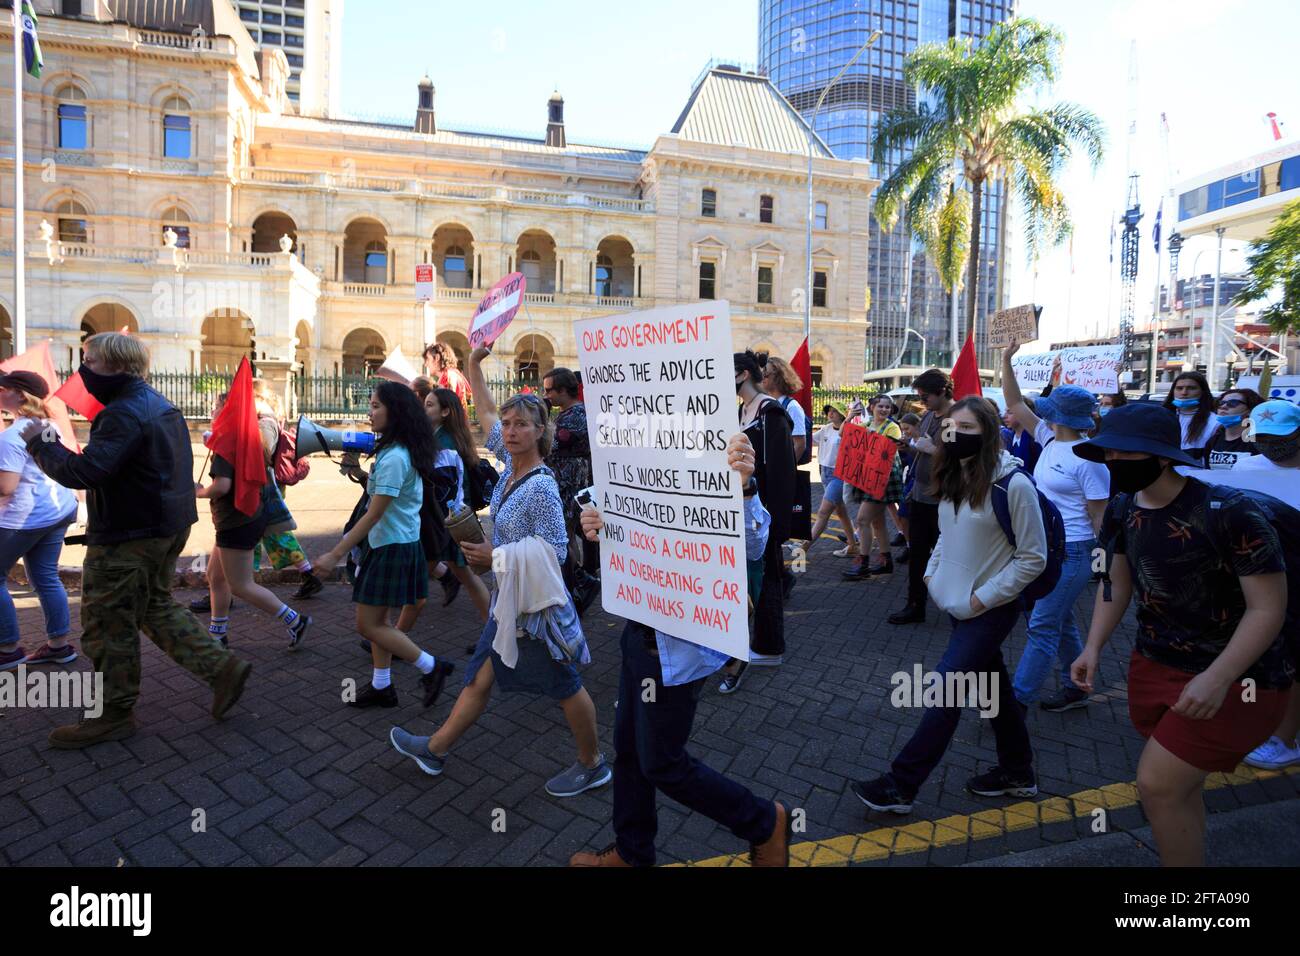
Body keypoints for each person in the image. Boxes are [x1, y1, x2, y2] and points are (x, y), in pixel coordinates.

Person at [1072, 402, 1292, 866]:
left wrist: (1217, 677)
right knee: (1176, 790)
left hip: (1238, 679)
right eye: (1109, 453)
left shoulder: (1231, 512)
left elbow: (1268, 608)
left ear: (1163, 455)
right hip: (1153, 664)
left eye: (1128, 454)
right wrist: (1092, 646)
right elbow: (1117, 584)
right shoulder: (1120, 507)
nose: (1114, 463)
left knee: (1157, 784)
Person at [388, 345, 611, 798]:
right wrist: (473, 365)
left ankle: (594, 764)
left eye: (520, 425)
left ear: (539, 431)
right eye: (507, 425)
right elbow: (486, 409)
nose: (508, 431)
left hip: (536, 608)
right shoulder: (509, 465)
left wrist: (497, 557)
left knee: (566, 687)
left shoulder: (542, 487)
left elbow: (554, 551)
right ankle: (435, 748)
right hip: (509, 601)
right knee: (479, 676)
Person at [567, 433, 791, 867]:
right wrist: (593, 521)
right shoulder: (633, 456)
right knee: (628, 746)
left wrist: (745, 487)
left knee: (663, 763)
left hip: (678, 643)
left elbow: (753, 545)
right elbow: (610, 517)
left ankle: (763, 821)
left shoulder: (717, 459)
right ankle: (632, 851)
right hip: (637, 628)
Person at [23, 332, 251, 747]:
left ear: (119, 366)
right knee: (153, 606)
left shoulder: (123, 413)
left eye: (91, 362)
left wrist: (40, 445)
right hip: (165, 526)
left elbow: (86, 473)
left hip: (129, 535)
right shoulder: (158, 403)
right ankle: (221, 669)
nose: (82, 370)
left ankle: (113, 715)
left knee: (107, 624)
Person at [852, 396, 1047, 813]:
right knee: (994, 688)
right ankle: (1018, 771)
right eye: (950, 428)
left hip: (990, 609)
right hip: (960, 605)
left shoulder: (1014, 484)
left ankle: (901, 785)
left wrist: (982, 597)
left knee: (947, 688)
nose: (954, 436)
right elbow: (946, 534)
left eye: (967, 429)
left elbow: (1034, 557)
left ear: (989, 434)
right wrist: (932, 576)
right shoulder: (957, 474)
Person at [315, 382, 455, 709]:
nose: (370, 412)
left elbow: (374, 513)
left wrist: (336, 552)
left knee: (368, 625)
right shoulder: (398, 451)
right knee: (380, 623)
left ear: (396, 412)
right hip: (395, 543)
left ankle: (432, 667)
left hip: (391, 546)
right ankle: (382, 686)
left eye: (376, 405)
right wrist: (359, 473)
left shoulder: (394, 456)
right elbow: (382, 501)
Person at [1001, 341, 1110, 712]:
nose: (1040, 413)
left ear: (1060, 417)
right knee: (1058, 623)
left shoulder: (1090, 458)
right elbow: (1016, 404)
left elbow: (1100, 517)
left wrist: (1103, 568)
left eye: (1048, 410)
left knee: (1042, 626)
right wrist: (1005, 361)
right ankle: (1076, 688)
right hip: (1047, 546)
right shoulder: (1049, 440)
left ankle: (1017, 701)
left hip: (1075, 552)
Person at [194, 391, 312, 652]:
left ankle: (295, 621)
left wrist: (199, 491)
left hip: (237, 522)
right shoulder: (243, 438)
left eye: (216, 406)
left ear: (226, 411)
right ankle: (218, 634)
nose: (212, 410)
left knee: (241, 585)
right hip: (239, 519)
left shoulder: (227, 442)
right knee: (216, 576)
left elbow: (222, 486)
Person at [717, 350, 796, 694]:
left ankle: (766, 647)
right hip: (741, 507)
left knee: (766, 578)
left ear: (741, 375)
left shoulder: (772, 413)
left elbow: (782, 474)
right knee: (749, 579)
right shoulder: (739, 411)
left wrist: (776, 525)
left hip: (761, 513)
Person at [0, 371, 79, 670]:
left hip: (23, 518)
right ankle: (59, 646)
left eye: (2, 388)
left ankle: (8, 650)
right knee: (46, 577)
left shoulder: (11, 437)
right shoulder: (48, 425)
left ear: (20, 395)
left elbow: (5, 487)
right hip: (56, 511)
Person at [1237, 399, 1300, 770]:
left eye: (1281, 437)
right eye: (1263, 437)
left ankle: (1286, 739)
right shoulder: (1247, 468)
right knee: (1260, 655)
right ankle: (1260, 725)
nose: (1271, 445)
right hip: (1260, 577)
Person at [889, 369, 953, 625]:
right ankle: (915, 605)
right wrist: (911, 447)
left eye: (925, 396)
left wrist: (932, 449)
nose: (922, 401)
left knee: (949, 555)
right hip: (920, 496)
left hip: (941, 500)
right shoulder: (928, 416)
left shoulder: (953, 419)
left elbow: (957, 457)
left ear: (942, 392)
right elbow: (922, 446)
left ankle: (961, 604)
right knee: (917, 555)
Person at [425, 386, 491, 623]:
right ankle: (492, 632)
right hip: (452, 518)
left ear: (445, 412)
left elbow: (445, 487)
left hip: (448, 519)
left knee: (418, 580)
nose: (424, 408)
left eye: (430, 405)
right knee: (465, 575)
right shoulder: (444, 436)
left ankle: (389, 638)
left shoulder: (445, 442)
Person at [542, 366, 600, 600]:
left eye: (549, 391)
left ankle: (576, 582)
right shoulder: (568, 412)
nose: (546, 395)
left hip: (570, 478)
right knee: (569, 527)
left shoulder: (577, 414)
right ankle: (578, 578)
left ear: (564, 390)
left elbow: (554, 442)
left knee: (566, 530)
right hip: (565, 476)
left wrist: (543, 421)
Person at [842, 394, 905, 580]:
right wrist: (849, 417)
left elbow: (887, 449)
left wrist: (869, 439)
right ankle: (886, 562)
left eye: (888, 407)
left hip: (883, 479)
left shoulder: (893, 427)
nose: (885, 410)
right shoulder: (867, 425)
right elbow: (844, 434)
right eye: (881, 406)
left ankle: (863, 564)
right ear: (872, 408)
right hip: (869, 477)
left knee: (862, 520)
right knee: (878, 522)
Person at [806, 401, 859, 558]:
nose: (830, 413)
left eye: (835, 411)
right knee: (841, 512)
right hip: (824, 472)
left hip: (839, 475)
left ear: (843, 414)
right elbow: (809, 439)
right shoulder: (825, 429)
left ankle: (805, 545)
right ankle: (853, 546)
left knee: (823, 512)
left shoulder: (848, 430)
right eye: (829, 410)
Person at [763, 356, 808, 462]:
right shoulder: (766, 403)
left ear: (779, 377)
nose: (762, 378)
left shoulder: (792, 407)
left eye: (766, 374)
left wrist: (786, 471)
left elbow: (800, 444)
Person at [1163, 371, 1218, 457]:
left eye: (1191, 388)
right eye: (1179, 388)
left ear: (1203, 392)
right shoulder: (1162, 417)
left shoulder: (1214, 422)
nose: (1184, 393)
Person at [1203, 387, 1264, 463]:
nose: (1223, 406)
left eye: (1233, 403)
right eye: (1221, 403)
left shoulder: (1260, 442)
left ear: (1250, 410)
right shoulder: (1214, 440)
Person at [1001, 396, 1042, 474]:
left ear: (1024, 414)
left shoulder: (1035, 441)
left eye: (1010, 412)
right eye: (1005, 412)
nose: (1004, 416)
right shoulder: (1010, 438)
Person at [424, 343, 469, 409]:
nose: (426, 364)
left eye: (427, 359)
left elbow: (447, 407)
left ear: (437, 358)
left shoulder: (449, 376)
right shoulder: (451, 374)